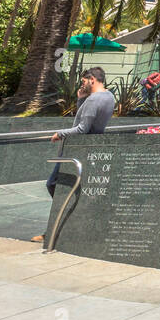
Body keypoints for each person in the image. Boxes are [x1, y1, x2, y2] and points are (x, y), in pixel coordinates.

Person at [27, 67, 115, 243]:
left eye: (83, 82)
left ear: (92, 80)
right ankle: (61, 227)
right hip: (91, 149)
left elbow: (82, 128)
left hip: (76, 150)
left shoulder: (94, 99)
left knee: (53, 184)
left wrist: (60, 133)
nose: (82, 85)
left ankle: (57, 229)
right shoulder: (110, 97)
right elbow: (87, 121)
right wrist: (81, 99)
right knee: (68, 188)